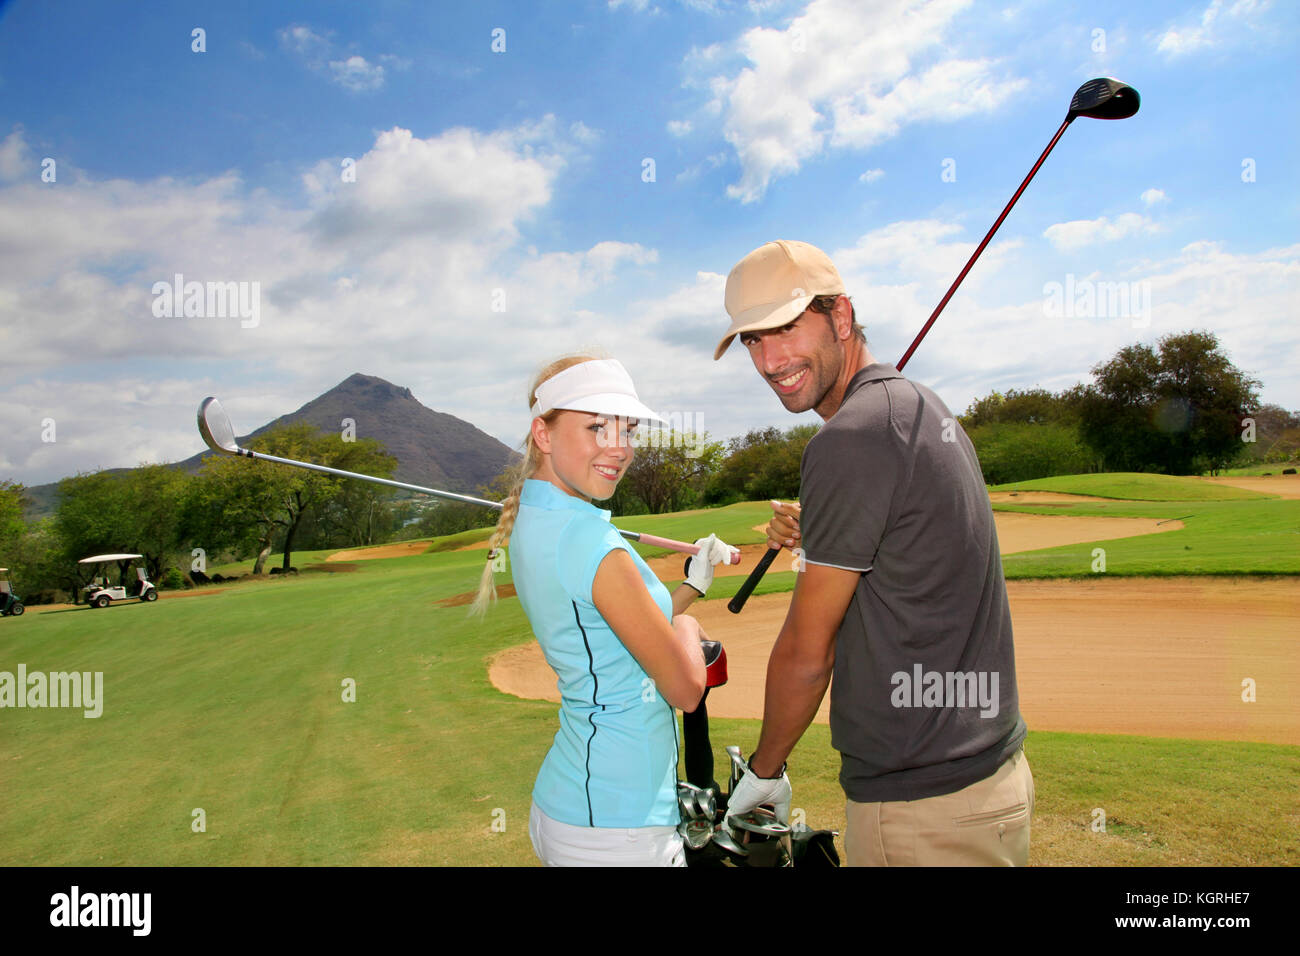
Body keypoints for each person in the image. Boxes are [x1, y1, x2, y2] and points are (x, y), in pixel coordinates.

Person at [717, 240, 1033, 866]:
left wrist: (763, 775)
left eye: (784, 328)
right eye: (753, 341)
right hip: (984, 782)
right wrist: (823, 534)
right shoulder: (916, 406)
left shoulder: (851, 439)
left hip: (922, 806)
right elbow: (905, 553)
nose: (770, 360)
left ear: (841, 317)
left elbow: (809, 652)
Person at [472, 353, 738, 867]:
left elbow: (616, 633)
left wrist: (691, 586)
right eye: (597, 427)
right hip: (620, 825)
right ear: (543, 435)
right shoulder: (592, 540)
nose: (619, 448)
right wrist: (685, 622)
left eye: (628, 430)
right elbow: (684, 690)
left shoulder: (538, 518)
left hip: (578, 803)